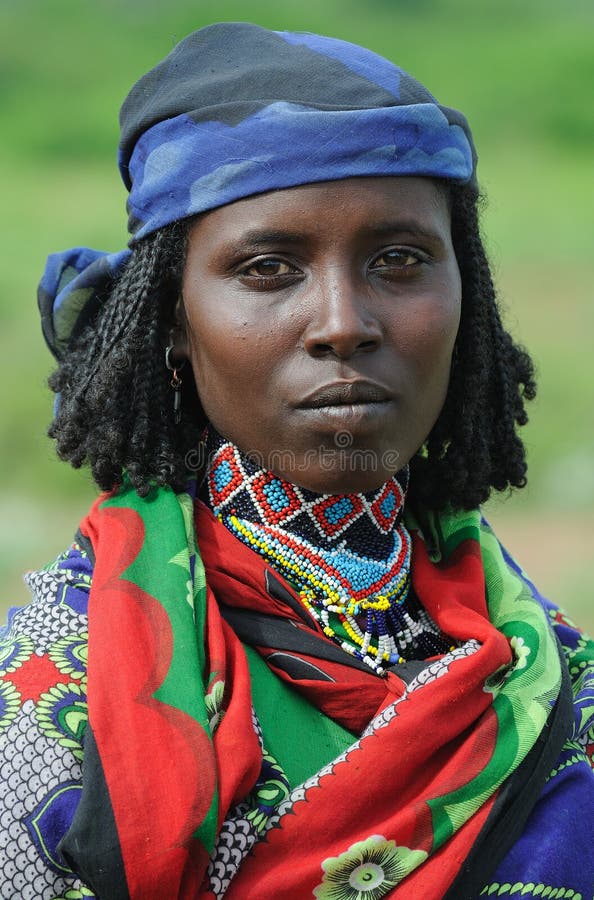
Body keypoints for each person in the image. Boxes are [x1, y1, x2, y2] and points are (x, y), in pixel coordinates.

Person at [0, 21, 592, 900]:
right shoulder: (53, 698)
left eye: (400, 260)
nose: (344, 322)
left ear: (466, 292)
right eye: (269, 268)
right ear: (174, 318)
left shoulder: (548, 669)